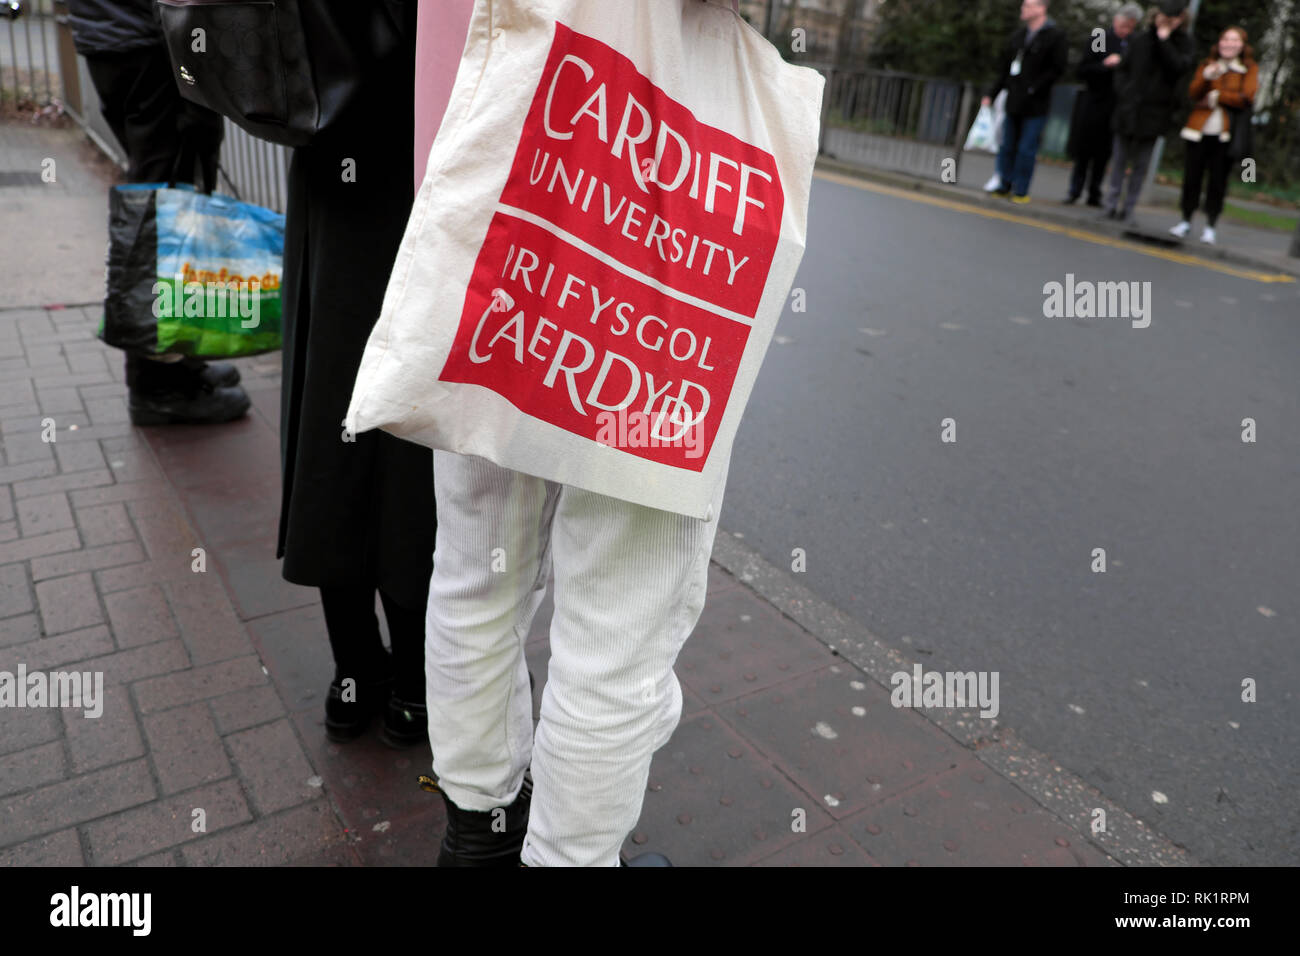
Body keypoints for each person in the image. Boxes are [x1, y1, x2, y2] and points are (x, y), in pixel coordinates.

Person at [276, 1, 437, 748]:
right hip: (422, 150)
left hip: (332, 141)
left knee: (330, 408)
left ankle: (355, 670)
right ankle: (413, 679)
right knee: (412, 420)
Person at [64, 0, 251, 425]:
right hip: (152, 37)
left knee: (165, 202)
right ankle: (157, 383)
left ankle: (177, 360)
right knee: (163, 209)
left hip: (122, 33)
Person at [1101, 0, 1195, 225]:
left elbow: (1179, 69)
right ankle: (1110, 205)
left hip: (1155, 114)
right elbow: (1123, 70)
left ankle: (1130, 208)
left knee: (1140, 166)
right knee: (1119, 160)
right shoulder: (1140, 40)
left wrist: (1164, 42)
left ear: (1180, 20)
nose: (1164, 22)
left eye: (1171, 19)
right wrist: (1125, 93)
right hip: (1128, 109)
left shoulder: (1184, 44)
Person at [1169, 26, 1259, 245]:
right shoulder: (1207, 65)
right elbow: (1193, 93)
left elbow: (1246, 97)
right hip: (1198, 131)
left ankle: (1210, 225)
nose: (1229, 44)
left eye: (1234, 40)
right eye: (1225, 39)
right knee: (1192, 177)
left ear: (1242, 45)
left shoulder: (1249, 69)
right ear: (1219, 43)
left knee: (1217, 181)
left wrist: (1217, 93)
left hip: (1224, 135)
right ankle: (1185, 220)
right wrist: (1206, 79)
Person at [982, 0, 1069, 204]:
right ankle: (1004, 183)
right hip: (1014, 100)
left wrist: (1034, 88)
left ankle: (1021, 189)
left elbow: (1057, 69)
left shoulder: (1055, 37)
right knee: (1007, 145)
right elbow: (1004, 69)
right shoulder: (1018, 37)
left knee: (1026, 148)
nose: (1024, 9)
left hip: (1036, 104)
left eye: (1028, 6)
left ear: (1041, 8)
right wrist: (991, 94)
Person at [1064, 4, 1142, 206]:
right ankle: (1075, 190)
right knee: (1085, 148)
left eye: (1130, 27)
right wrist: (1106, 65)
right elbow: (1085, 68)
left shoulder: (1134, 42)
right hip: (1094, 100)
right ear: (1116, 20)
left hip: (1116, 104)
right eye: (1123, 25)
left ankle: (1094, 193)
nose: (1125, 30)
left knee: (1104, 151)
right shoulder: (1101, 38)